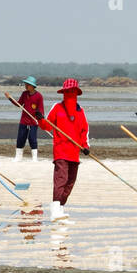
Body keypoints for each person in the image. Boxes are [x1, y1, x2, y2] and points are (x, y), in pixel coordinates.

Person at [45, 79, 90, 222]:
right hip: (61, 150)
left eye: (73, 92)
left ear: (76, 93)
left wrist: (85, 146)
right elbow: (46, 126)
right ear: (63, 93)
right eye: (68, 92)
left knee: (70, 182)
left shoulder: (80, 111)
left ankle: (60, 209)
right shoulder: (57, 108)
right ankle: (54, 210)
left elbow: (84, 131)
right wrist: (40, 119)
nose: (70, 94)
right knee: (61, 179)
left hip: (74, 152)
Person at [14, 76, 44, 161]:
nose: (26, 86)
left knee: (32, 138)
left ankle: (34, 158)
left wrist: (40, 116)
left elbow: (41, 109)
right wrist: (10, 99)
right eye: (25, 84)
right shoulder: (24, 94)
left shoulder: (39, 96)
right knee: (21, 138)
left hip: (33, 121)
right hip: (24, 120)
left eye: (28, 84)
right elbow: (19, 104)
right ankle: (18, 157)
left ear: (32, 85)